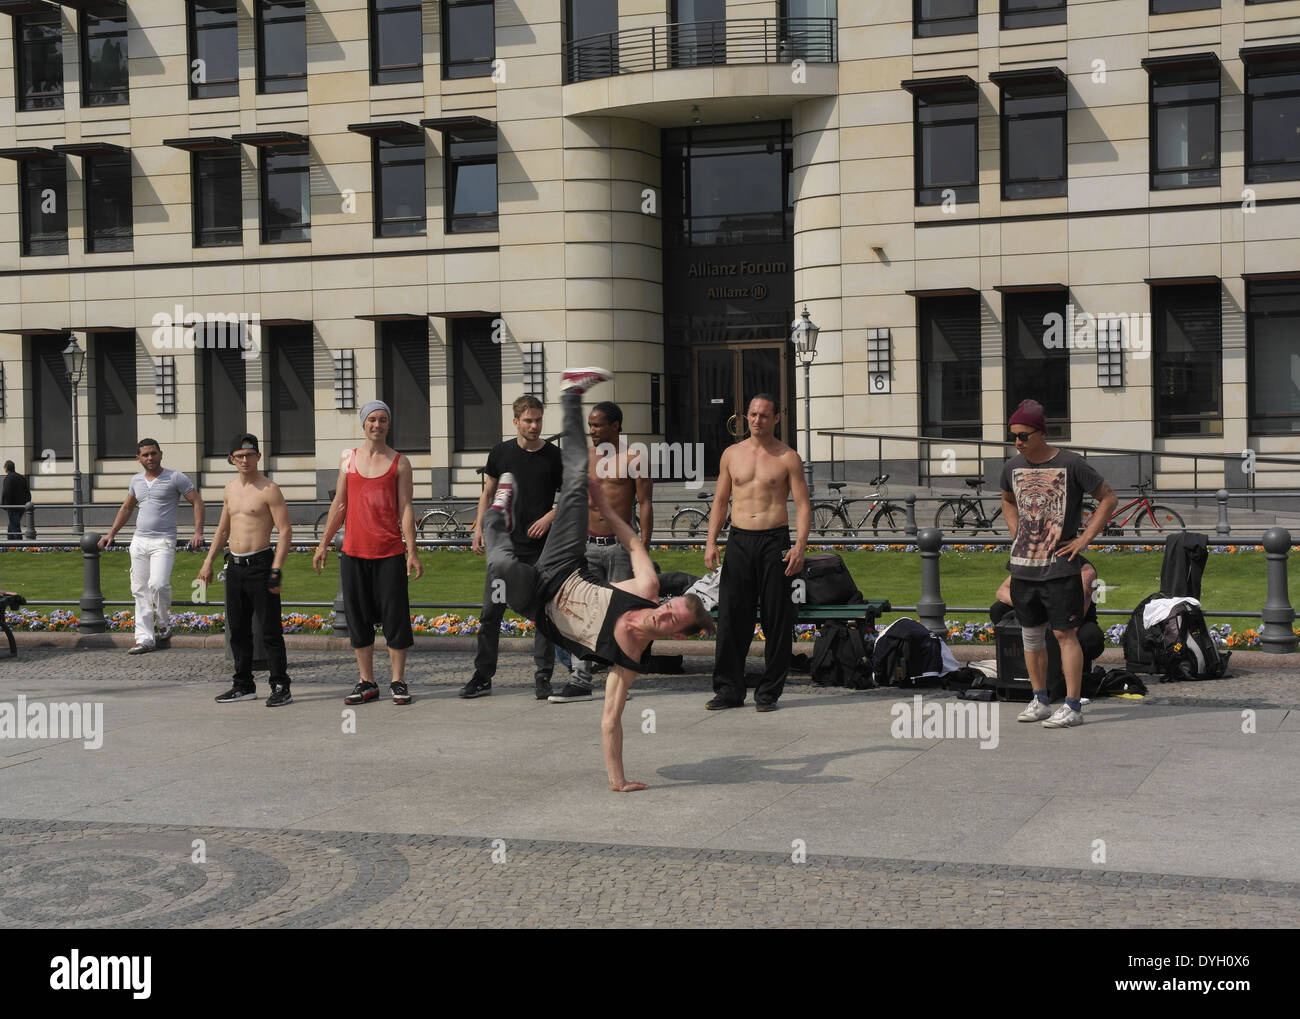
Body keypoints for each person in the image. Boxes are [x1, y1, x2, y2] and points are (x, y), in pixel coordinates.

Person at [484, 367, 715, 791]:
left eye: (670, 620)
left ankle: (495, 517)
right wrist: (608, 512)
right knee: (575, 479)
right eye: (668, 607)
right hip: (568, 563)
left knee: (508, 569)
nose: (661, 614)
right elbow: (633, 545)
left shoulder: (629, 660)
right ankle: (571, 392)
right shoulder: (645, 591)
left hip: (540, 601)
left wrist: (618, 780)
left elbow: (610, 720)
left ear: (678, 637)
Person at [1000, 399, 1117, 728]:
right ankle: (1039, 700)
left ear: (1040, 434)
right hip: (1023, 566)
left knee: (1066, 635)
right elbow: (1007, 499)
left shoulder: (1071, 463)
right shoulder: (1011, 468)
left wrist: (1084, 539)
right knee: (1031, 635)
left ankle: (1072, 706)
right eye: (1013, 437)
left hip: (1061, 568)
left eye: (1023, 436)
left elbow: (1108, 498)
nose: (1018, 443)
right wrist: (1015, 532)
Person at [704, 394, 811, 712]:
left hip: (774, 541)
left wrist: (800, 546)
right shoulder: (731, 455)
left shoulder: (788, 457)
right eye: (752, 414)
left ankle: (768, 693)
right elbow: (721, 502)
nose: (756, 420)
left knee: (778, 619)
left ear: (777, 418)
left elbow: (803, 505)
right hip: (738, 541)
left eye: (764, 415)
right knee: (731, 617)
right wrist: (711, 542)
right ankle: (729, 689)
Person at [313, 401, 423, 706]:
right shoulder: (348, 459)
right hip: (354, 552)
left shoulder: (399, 462)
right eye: (372, 419)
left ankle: (398, 681)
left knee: (395, 617)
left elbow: (405, 507)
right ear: (364, 424)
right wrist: (323, 543)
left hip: (389, 552)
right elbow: (340, 505)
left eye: (383, 420)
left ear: (389, 425)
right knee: (357, 618)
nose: (377, 425)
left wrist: (411, 551)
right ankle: (367, 682)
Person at [549, 400, 654, 704]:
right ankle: (580, 679)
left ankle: (620, 680)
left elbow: (645, 503)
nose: (592, 430)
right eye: (590, 425)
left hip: (621, 547)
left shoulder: (634, 458)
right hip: (586, 544)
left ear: (616, 425)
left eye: (597, 425)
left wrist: (643, 547)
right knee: (582, 611)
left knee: (622, 615)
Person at [461, 395, 562, 700]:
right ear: (516, 421)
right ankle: (483, 676)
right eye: (528, 420)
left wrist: (548, 517)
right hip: (504, 550)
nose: (534, 426)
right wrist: (479, 526)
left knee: (544, 613)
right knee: (491, 613)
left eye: (539, 420)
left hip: (539, 551)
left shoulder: (554, 456)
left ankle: (543, 676)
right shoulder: (500, 453)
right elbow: (488, 492)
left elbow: (571, 496)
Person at [197, 434, 294, 707]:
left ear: (258, 457)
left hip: (261, 565)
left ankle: (280, 685)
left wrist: (276, 569)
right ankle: (243, 684)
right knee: (237, 630)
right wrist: (208, 561)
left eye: (249, 455)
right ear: (232, 459)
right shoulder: (229, 489)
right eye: (239, 456)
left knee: (269, 629)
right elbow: (223, 528)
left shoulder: (269, 489)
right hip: (235, 566)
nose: (244, 460)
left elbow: (285, 531)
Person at [98, 439, 204, 654]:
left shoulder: (175, 477)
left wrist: (198, 532)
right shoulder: (136, 481)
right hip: (139, 541)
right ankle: (144, 639)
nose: (150, 458)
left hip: (163, 541)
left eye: (153, 454)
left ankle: (163, 622)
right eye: (145, 455)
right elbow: (127, 508)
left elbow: (198, 502)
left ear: (161, 454)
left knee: (158, 584)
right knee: (139, 591)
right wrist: (111, 533)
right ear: (138, 458)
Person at [2, 460, 32, 541]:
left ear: (6, 468)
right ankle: (10, 543)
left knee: (14, 526)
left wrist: (5, 505)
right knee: (12, 525)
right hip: (21, 506)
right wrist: (26, 503)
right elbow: (27, 492)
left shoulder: (8, 478)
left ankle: (19, 544)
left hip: (12, 506)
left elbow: (6, 493)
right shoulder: (21, 477)